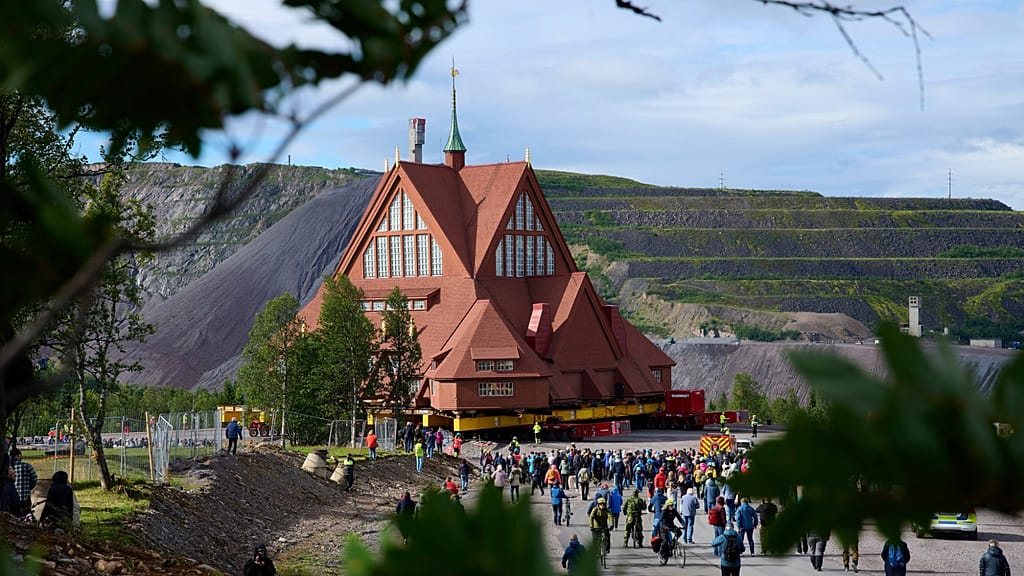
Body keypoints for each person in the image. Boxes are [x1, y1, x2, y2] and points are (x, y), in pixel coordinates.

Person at [10, 448, 37, 516]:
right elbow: (34, 479)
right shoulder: (27, 466)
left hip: (11, 498)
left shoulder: (8, 467)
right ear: (18, 456)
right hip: (25, 497)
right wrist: (28, 487)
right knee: (26, 516)